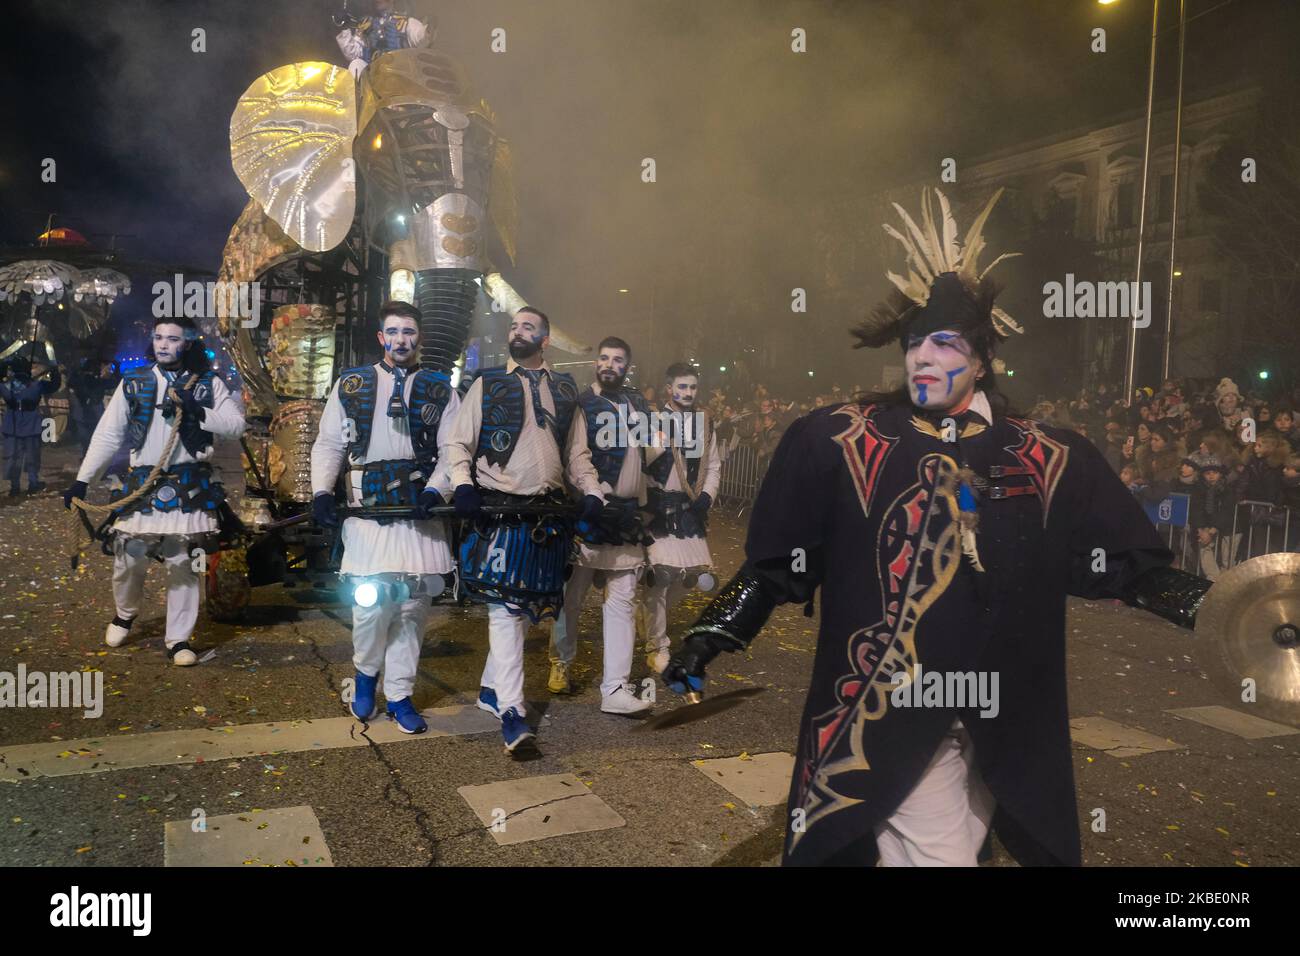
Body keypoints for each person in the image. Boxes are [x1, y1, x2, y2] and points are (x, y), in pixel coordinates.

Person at [659, 188, 1208, 867]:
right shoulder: (843, 439)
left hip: (1009, 709)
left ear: (981, 359)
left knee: (963, 844)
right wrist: (712, 633)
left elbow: (1126, 561)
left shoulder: (1048, 453)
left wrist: (1216, 607)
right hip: (890, 706)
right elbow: (780, 563)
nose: (922, 356)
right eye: (915, 341)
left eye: (943, 342)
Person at [444, 306, 604, 753]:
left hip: (546, 517)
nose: (517, 332)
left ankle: (492, 690)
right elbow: (458, 441)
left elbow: (577, 453)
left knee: (529, 610)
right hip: (499, 511)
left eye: (527, 327)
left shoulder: (565, 389)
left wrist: (591, 492)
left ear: (544, 340)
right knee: (507, 611)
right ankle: (513, 713)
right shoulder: (486, 383)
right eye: (514, 326)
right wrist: (462, 487)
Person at [310, 301, 460, 734]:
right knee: (371, 607)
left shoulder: (441, 388)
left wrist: (436, 489)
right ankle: (364, 677)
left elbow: (454, 449)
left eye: (409, 332)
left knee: (413, 609)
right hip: (367, 512)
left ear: (420, 338)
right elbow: (329, 444)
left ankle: (399, 694)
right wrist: (321, 490)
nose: (401, 340)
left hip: (420, 513)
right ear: (381, 338)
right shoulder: (351, 383)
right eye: (392, 331)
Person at [62, 317, 245, 666]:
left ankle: (178, 639)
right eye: (159, 337)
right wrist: (83, 480)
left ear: (187, 343)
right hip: (144, 484)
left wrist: (198, 411)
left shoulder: (209, 383)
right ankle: (125, 614)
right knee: (128, 555)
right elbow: (108, 434)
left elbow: (236, 426)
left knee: (182, 563)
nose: (163, 344)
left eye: (172, 339)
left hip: (189, 487)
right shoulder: (133, 382)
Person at [547, 336, 655, 714]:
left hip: (627, 517)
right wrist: (593, 496)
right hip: (591, 512)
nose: (610, 364)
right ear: (597, 362)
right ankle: (560, 663)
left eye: (618, 360)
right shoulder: (582, 403)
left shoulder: (637, 402)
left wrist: (651, 502)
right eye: (604, 358)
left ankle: (615, 689)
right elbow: (577, 454)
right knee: (572, 599)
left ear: (627, 366)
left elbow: (648, 453)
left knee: (623, 602)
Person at [642, 362, 721, 674]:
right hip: (657, 506)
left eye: (692, 387)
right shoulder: (652, 419)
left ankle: (648, 619)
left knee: (690, 578)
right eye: (682, 387)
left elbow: (713, 464)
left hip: (689, 508)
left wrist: (707, 496)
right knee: (659, 580)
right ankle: (656, 646)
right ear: (669, 388)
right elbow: (640, 462)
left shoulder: (704, 423)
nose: (688, 393)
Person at [1, 357, 61, 495]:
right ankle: (31, 483)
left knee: (13, 456)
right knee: (31, 456)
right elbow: (54, 385)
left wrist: (4, 365)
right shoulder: (36, 384)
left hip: (15, 424)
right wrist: (54, 370)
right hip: (27, 423)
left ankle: (15, 486)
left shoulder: (7, 385)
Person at [335, 0, 431, 79]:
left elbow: (422, 41)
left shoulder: (407, 23)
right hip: (373, 75)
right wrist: (344, 27)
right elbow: (353, 54)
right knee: (356, 64)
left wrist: (426, 33)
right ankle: (357, 99)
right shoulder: (367, 24)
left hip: (399, 75)